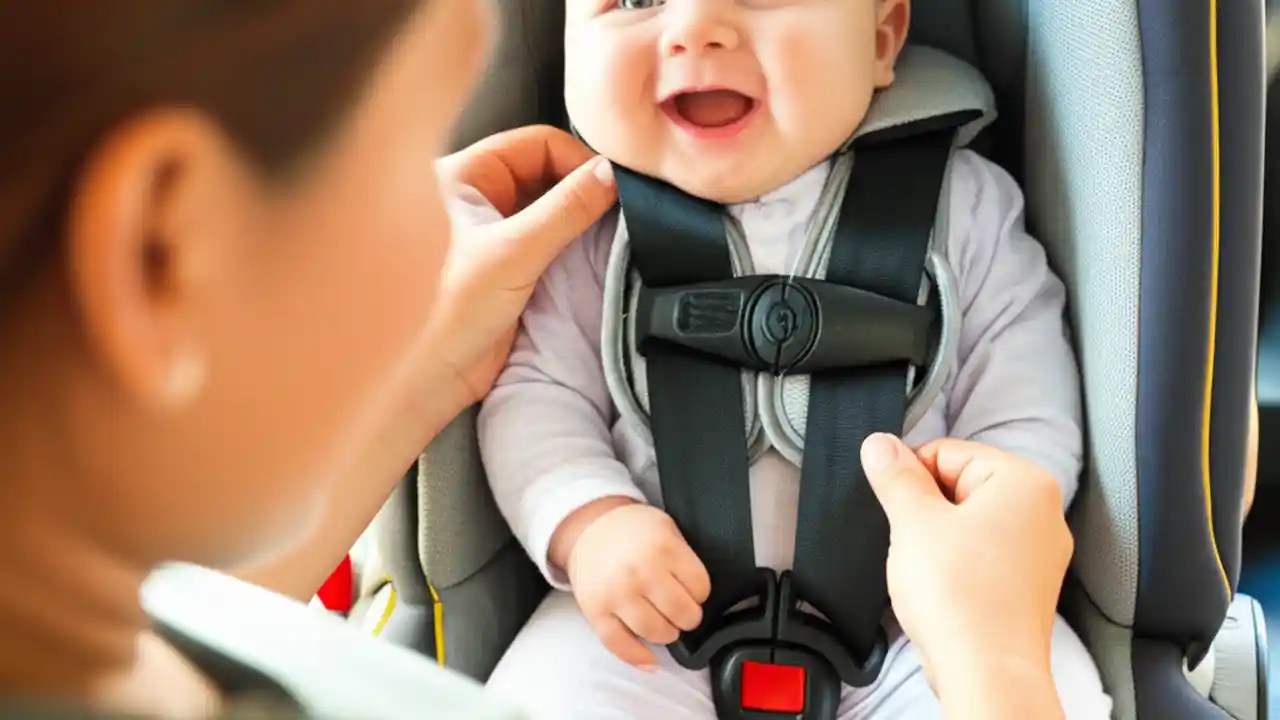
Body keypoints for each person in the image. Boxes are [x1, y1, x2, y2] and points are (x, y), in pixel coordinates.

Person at [474, 0, 1111, 717]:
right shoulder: (587, 230)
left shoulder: (963, 205)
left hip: (919, 621)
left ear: (881, 36)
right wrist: (589, 522)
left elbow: (1026, 403)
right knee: (540, 699)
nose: (694, 28)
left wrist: (983, 543)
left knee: (1052, 683)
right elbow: (536, 394)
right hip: (650, 619)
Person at [0, 0, 617, 716]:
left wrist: (425, 378)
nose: (454, 226)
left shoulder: (91, 639)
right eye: (411, 154)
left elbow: (186, 612)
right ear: (162, 252)